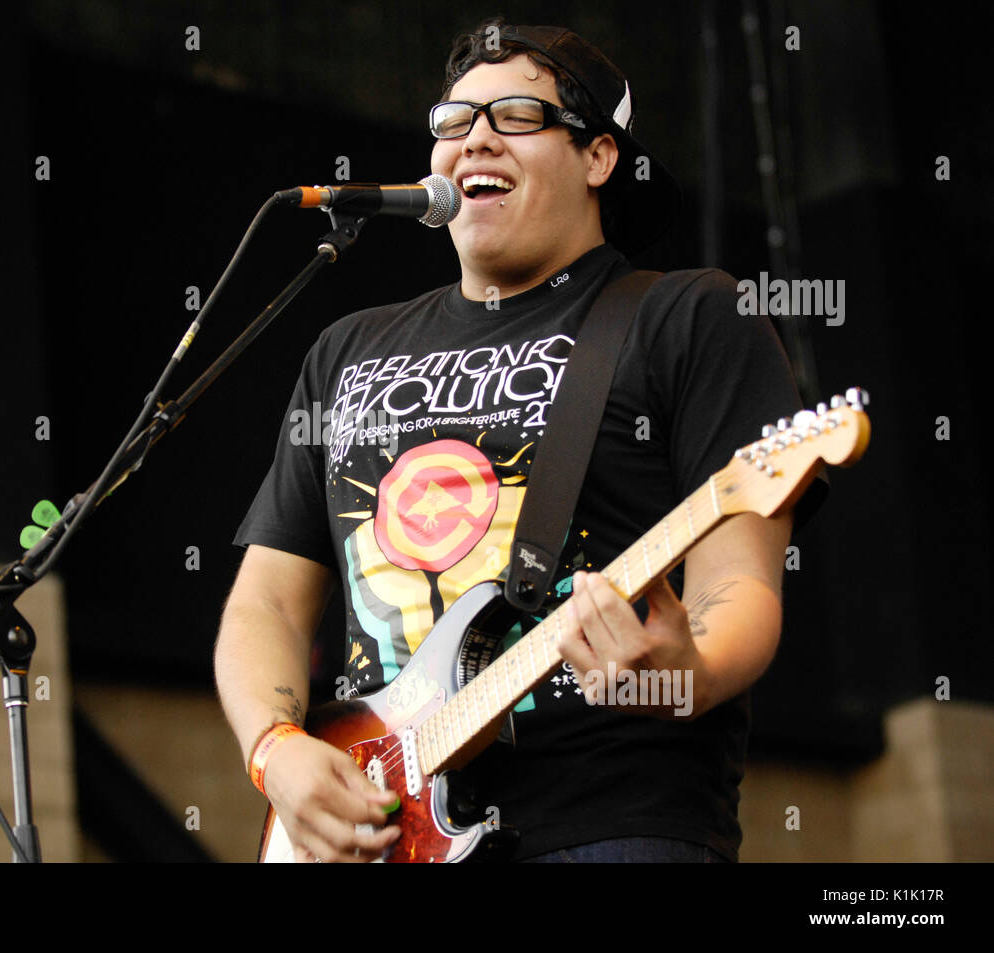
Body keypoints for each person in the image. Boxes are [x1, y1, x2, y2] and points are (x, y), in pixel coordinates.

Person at [214, 19, 819, 863]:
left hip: (608, 825)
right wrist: (275, 752)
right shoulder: (347, 351)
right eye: (453, 123)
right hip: (391, 831)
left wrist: (686, 670)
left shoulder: (686, 316)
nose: (474, 142)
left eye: (516, 118)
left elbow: (742, 584)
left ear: (599, 155)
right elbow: (267, 602)